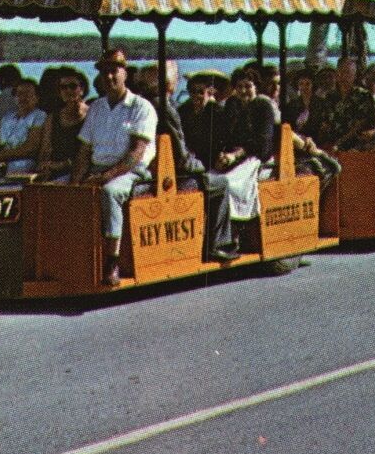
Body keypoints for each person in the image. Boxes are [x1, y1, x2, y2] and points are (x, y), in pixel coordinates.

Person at [139, 62, 238, 261]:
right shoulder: (168, 109)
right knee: (220, 183)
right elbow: (183, 160)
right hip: (175, 175)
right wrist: (201, 166)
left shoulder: (143, 103)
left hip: (157, 170)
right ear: (170, 83)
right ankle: (218, 244)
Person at [73, 55, 158, 285]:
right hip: (98, 167)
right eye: (105, 72)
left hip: (133, 173)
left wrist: (104, 177)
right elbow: (84, 149)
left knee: (110, 192)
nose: (109, 76)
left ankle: (112, 262)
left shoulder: (141, 108)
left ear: (125, 73)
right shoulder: (97, 107)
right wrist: (76, 180)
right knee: (60, 188)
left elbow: (135, 154)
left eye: (115, 71)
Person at [216, 69, 277, 234]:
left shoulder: (264, 106)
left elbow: (262, 144)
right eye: (240, 87)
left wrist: (237, 154)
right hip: (234, 157)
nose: (244, 91)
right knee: (211, 178)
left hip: (256, 157)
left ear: (255, 87)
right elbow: (225, 135)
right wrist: (222, 154)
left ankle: (234, 230)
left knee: (228, 182)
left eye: (248, 86)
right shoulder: (231, 105)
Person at [313, 57, 375, 149]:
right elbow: (325, 124)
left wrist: (338, 144)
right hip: (331, 146)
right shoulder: (330, 96)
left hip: (355, 147)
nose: (344, 76)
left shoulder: (363, 96)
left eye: (348, 73)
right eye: (341, 72)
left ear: (354, 75)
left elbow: (359, 126)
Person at [36, 68, 88, 180]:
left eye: (73, 86)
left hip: (79, 171)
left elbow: (89, 154)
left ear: (82, 89)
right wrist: (43, 167)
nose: (68, 90)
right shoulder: (52, 118)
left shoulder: (91, 115)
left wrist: (63, 165)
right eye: (63, 87)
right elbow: (45, 149)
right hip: (53, 171)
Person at [0, 78, 46, 175]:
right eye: (19, 94)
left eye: (28, 94)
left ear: (37, 97)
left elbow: (31, 148)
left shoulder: (39, 116)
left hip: (26, 168)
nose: (23, 98)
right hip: (2, 167)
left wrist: (1, 155)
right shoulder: (7, 118)